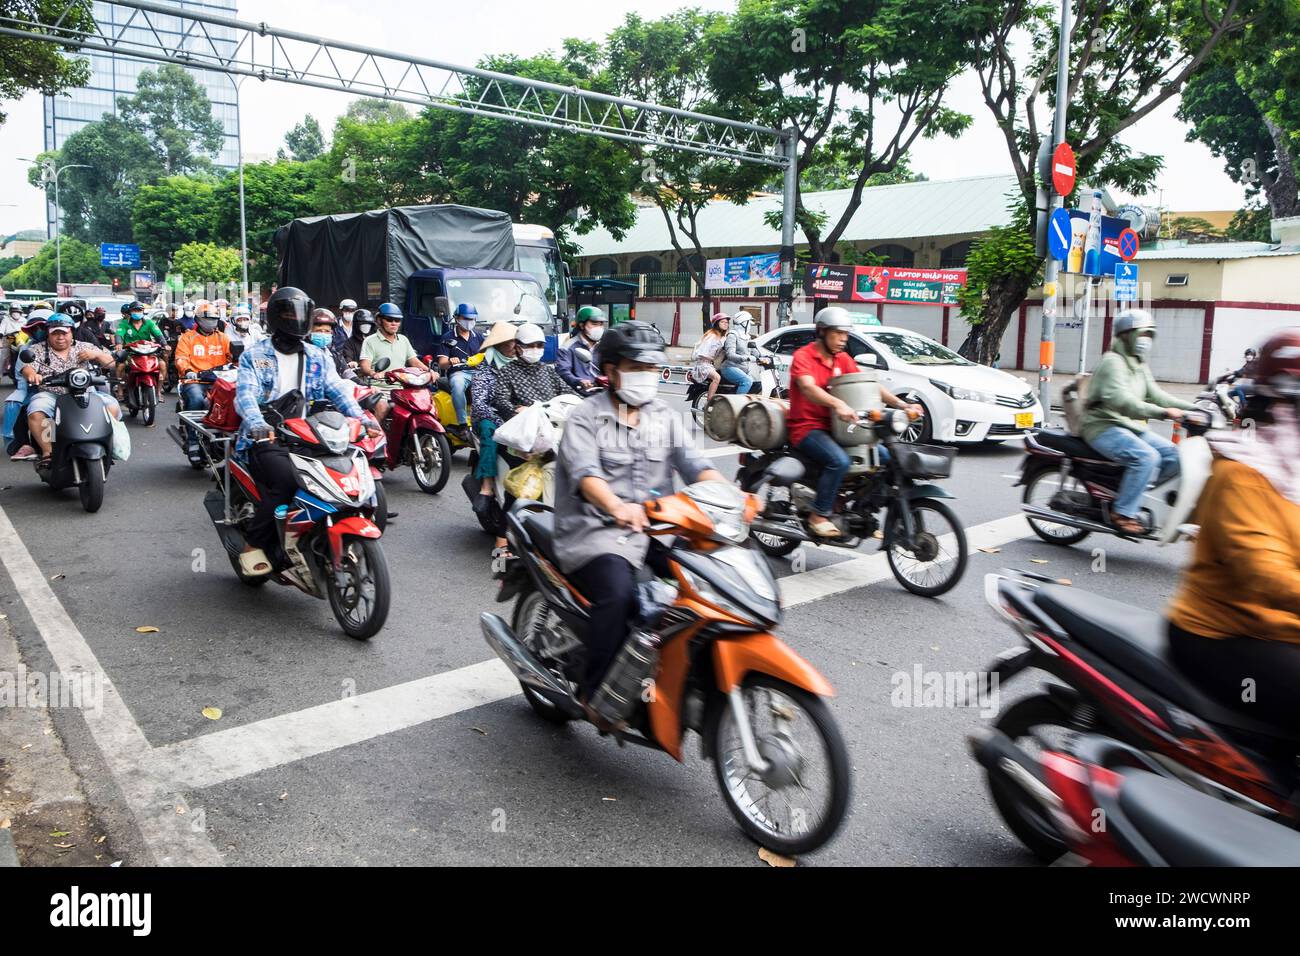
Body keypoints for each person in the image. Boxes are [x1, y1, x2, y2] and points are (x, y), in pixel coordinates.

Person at [554, 320, 723, 711]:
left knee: (706, 582)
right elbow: (586, 476)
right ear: (611, 371)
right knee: (618, 595)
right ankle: (595, 693)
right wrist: (616, 505)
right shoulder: (586, 416)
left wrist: (734, 497)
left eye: (650, 368)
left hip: (655, 529)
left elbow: (697, 467)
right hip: (596, 531)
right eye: (636, 367)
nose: (646, 376)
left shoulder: (664, 416)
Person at [1166, 328, 1300, 731]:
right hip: (1221, 633)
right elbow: (1264, 574)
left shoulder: (1290, 471)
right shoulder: (1244, 473)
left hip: (1280, 629)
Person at [233, 287, 378, 575]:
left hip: (309, 434)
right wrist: (259, 425)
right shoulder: (255, 355)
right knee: (288, 480)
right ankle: (253, 545)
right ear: (276, 316)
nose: (295, 319)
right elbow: (245, 396)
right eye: (289, 313)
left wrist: (363, 419)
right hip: (267, 438)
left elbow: (337, 389)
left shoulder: (317, 355)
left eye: (300, 314)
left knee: (345, 468)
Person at [786, 306, 922, 538]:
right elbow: (808, 387)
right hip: (807, 428)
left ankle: (863, 510)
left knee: (887, 458)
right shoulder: (803, 357)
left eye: (846, 334)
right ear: (822, 332)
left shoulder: (843, 359)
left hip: (841, 429)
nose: (843, 339)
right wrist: (837, 404)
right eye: (837, 333)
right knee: (838, 461)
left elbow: (869, 385)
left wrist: (902, 405)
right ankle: (818, 514)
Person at [1080, 308, 1195, 535]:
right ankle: (1122, 512)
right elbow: (1123, 402)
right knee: (1146, 457)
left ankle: (1134, 493)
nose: (1146, 341)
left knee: (1176, 456)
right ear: (1127, 335)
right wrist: (1163, 413)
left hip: (1128, 426)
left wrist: (1194, 408)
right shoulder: (1112, 362)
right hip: (1102, 425)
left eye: (1149, 336)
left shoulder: (1138, 363)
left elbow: (1158, 395)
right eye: (1142, 335)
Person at [21, 314, 120, 467]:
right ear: (48, 333)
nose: (60, 337)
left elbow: (110, 364)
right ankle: (48, 452)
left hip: (86, 393)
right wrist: (33, 375)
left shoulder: (84, 346)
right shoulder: (38, 349)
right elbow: (27, 368)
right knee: (37, 412)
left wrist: (97, 354)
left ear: (71, 332)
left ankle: (104, 443)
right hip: (52, 394)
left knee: (112, 406)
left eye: (64, 333)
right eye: (55, 333)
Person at [469, 321, 517, 552]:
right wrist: (504, 421)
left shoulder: (522, 367)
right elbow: (479, 406)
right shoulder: (484, 371)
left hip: (519, 419)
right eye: (508, 342)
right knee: (490, 431)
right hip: (490, 419)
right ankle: (487, 488)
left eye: (515, 341)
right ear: (497, 345)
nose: (513, 345)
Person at [359, 302, 432, 423]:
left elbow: (414, 361)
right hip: (378, 388)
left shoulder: (403, 340)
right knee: (383, 408)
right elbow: (364, 365)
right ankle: (376, 439)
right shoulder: (370, 341)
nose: (394, 323)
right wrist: (374, 373)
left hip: (402, 387)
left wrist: (430, 371)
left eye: (397, 320)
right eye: (389, 319)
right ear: (379, 320)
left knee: (426, 403)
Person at [175, 305, 234, 453]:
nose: (211, 322)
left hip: (220, 381)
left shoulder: (223, 338)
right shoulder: (187, 337)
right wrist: (187, 370)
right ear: (198, 320)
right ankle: (193, 441)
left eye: (214, 319)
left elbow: (233, 358)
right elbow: (181, 358)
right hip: (195, 381)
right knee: (196, 399)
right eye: (207, 319)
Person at [435, 303, 484, 439]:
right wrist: (451, 361)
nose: (469, 322)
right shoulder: (448, 337)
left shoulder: (478, 337)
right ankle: (462, 425)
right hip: (459, 373)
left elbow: (488, 355)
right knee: (457, 385)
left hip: (478, 372)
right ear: (456, 318)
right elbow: (442, 363)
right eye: (465, 318)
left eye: (472, 319)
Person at [4, 312, 47, 461]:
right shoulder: (28, 348)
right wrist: (33, 376)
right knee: (18, 406)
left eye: (42, 327)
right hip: (34, 387)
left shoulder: (73, 343)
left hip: (67, 387)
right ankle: (24, 444)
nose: (39, 331)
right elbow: (26, 370)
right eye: (34, 328)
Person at [115, 302, 168, 396]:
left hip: (148, 353)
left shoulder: (149, 323)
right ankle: (120, 390)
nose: (137, 312)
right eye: (134, 310)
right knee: (120, 366)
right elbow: (119, 334)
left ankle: (158, 391)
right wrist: (119, 343)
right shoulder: (124, 323)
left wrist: (164, 344)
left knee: (162, 364)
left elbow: (158, 335)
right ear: (130, 312)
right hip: (130, 353)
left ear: (143, 311)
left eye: (139, 310)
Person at [555, 305, 606, 392]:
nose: (599, 327)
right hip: (581, 395)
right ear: (582, 325)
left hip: (604, 392)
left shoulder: (604, 346)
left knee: (623, 405)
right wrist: (579, 381)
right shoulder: (567, 348)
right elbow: (563, 372)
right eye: (594, 324)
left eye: (601, 324)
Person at [688, 312, 728, 402]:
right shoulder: (712, 335)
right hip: (703, 364)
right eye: (722, 322)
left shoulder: (721, 336)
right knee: (717, 378)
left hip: (710, 364)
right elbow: (702, 351)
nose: (726, 324)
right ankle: (709, 401)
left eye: (727, 322)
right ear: (717, 324)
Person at [719, 308, 760, 394]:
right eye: (749, 323)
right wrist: (746, 358)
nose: (749, 326)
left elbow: (754, 351)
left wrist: (762, 356)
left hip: (744, 369)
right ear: (743, 323)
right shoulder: (733, 335)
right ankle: (737, 405)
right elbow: (730, 354)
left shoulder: (747, 337)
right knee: (747, 381)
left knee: (758, 382)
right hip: (730, 368)